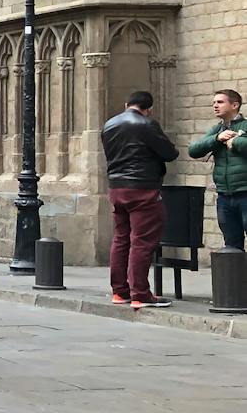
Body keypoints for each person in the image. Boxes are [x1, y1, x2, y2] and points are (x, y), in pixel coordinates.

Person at [102, 90, 179, 310]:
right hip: (142, 187)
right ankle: (140, 294)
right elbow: (170, 153)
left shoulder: (109, 125)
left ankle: (119, 291)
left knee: (121, 239)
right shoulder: (146, 124)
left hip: (117, 187)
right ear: (148, 109)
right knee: (142, 241)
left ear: (127, 104)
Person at [189, 87, 247, 251]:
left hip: (245, 193)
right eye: (214, 102)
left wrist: (236, 142)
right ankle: (236, 278)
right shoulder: (217, 129)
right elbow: (193, 150)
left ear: (235, 105)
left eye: (220, 102)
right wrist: (217, 138)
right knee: (231, 246)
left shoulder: (246, 125)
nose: (215, 106)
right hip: (224, 196)